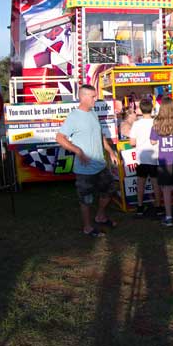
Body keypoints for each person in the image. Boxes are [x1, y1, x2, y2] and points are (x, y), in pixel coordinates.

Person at [56, 84, 120, 237]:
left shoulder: (93, 113)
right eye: (93, 96)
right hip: (84, 169)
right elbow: (59, 137)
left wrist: (110, 151)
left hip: (100, 165)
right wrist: (78, 151)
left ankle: (100, 216)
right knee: (86, 199)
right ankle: (88, 227)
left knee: (110, 189)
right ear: (83, 97)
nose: (95, 99)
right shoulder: (74, 116)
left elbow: (100, 134)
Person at [128, 97, 161, 217]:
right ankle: (158, 207)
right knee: (155, 183)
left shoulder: (137, 124)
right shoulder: (156, 122)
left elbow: (132, 142)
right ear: (152, 109)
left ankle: (140, 207)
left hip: (141, 158)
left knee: (140, 183)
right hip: (155, 157)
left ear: (140, 110)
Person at [149, 97, 173, 227]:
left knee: (166, 190)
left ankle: (168, 216)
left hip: (164, 160)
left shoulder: (157, 123)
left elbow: (153, 141)